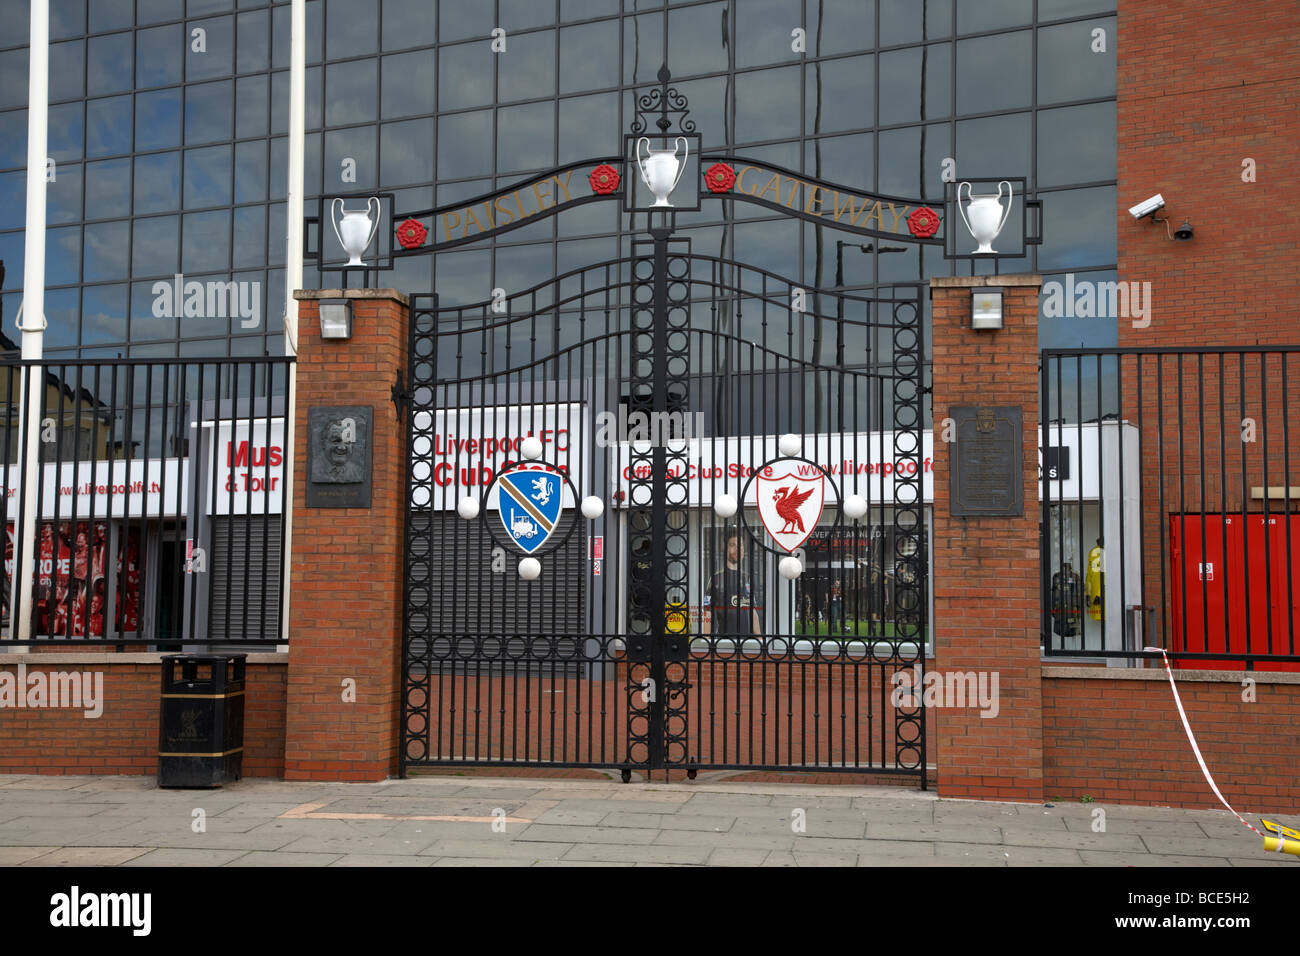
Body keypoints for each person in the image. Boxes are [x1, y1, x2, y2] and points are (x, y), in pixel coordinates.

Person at [702, 532, 762, 636]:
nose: (738, 549)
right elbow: (708, 611)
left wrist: (759, 639)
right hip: (724, 640)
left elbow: (753, 611)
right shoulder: (716, 578)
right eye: (733, 545)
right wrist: (706, 640)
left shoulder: (747, 577)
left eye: (741, 545)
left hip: (746, 642)